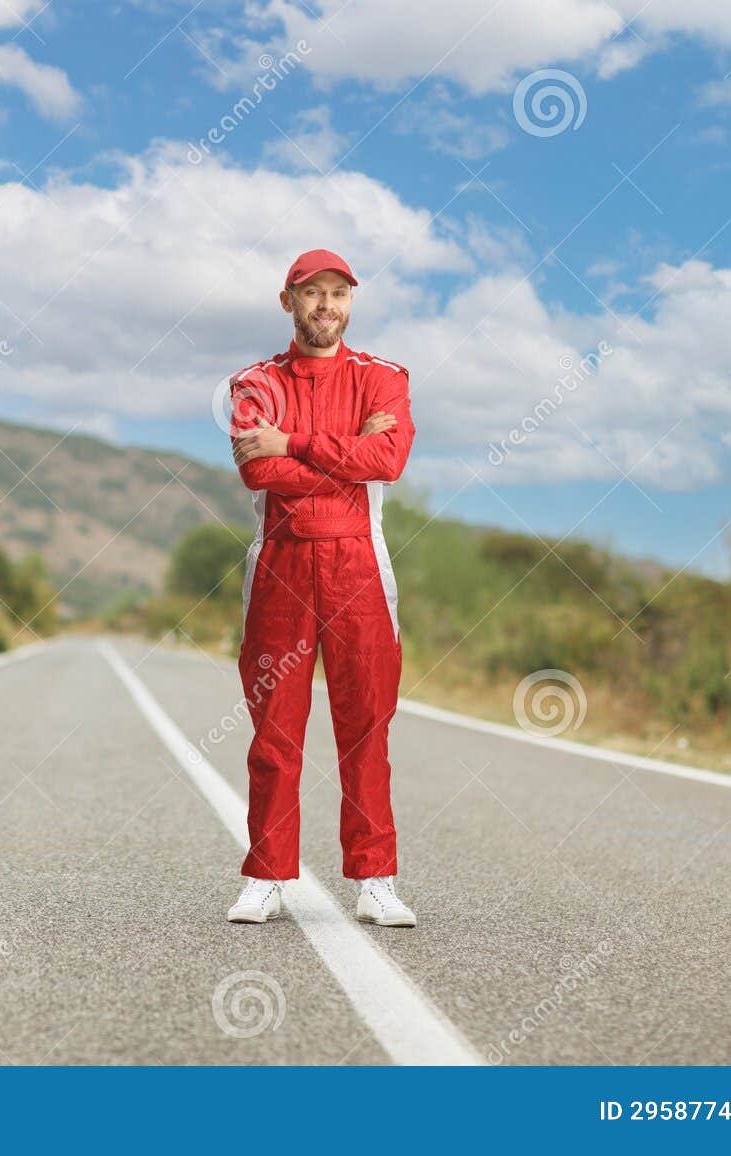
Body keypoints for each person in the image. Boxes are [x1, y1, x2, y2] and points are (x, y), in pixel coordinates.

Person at [224, 248, 417, 928]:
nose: (325, 306)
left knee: (366, 726)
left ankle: (376, 880)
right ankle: (267, 878)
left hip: (359, 566)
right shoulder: (253, 381)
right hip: (280, 566)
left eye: (337, 293)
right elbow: (258, 474)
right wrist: (342, 454)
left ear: (351, 303)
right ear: (288, 302)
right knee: (275, 733)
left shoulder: (384, 377)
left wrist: (294, 444)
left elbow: (386, 460)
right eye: (312, 294)